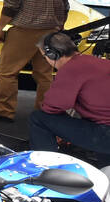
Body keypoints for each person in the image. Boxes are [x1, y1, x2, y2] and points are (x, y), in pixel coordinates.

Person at [29, 32, 110, 160]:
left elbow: (52, 107)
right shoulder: (98, 62)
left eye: (44, 56)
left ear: (52, 54)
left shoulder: (71, 68)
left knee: (39, 118)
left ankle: (45, 165)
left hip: (105, 134)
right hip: (104, 127)